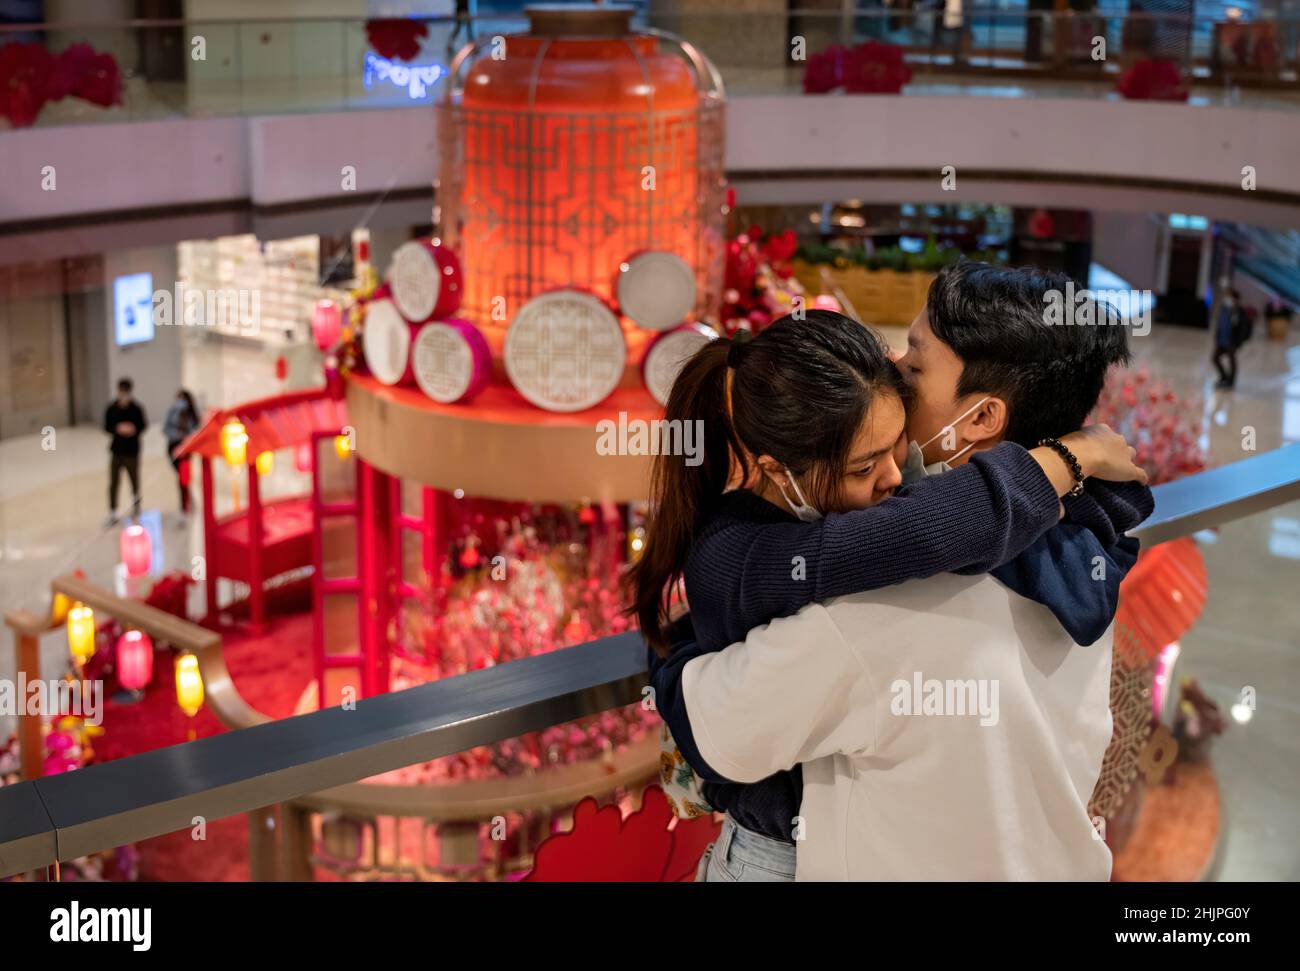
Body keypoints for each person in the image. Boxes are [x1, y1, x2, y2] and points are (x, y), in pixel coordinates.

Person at [652, 263, 1151, 880]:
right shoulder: (1083, 549)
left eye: (914, 367)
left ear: (982, 419)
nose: (891, 362)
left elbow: (724, 733)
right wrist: (1072, 457)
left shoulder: (879, 606)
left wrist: (675, 657)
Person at [104, 377, 148, 526]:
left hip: (132, 451)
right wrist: (117, 428)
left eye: (126, 392)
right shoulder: (112, 408)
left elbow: (143, 425)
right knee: (114, 482)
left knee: (134, 481)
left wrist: (133, 429)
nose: (123, 394)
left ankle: (136, 507)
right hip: (117, 451)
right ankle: (113, 511)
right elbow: (106, 426)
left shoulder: (136, 408)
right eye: (121, 391)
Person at [164, 390, 200, 523]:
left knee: (183, 479)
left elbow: (196, 431)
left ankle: (185, 508)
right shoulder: (172, 412)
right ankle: (189, 501)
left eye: (182, 400)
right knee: (181, 478)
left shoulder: (192, 416)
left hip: (186, 451)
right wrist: (178, 435)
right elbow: (165, 429)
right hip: (173, 448)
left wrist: (187, 438)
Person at [1212, 286, 1240, 390]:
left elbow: (1243, 328)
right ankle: (1224, 377)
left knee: (1232, 361)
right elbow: (1220, 324)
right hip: (1222, 340)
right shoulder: (1224, 309)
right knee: (1215, 358)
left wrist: (1238, 341)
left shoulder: (1238, 312)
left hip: (1231, 341)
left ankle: (1230, 382)